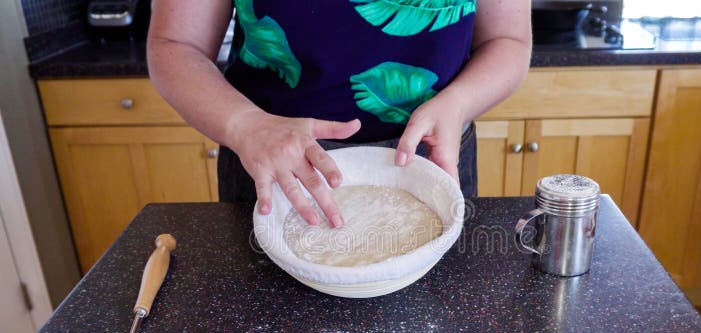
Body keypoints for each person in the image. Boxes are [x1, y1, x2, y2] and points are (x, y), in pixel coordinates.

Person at [148, 0, 531, 228]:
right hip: (273, 161)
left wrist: (459, 102)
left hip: (430, 156)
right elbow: (176, 44)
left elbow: (508, 39)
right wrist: (243, 125)